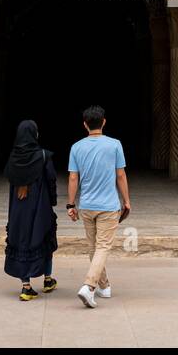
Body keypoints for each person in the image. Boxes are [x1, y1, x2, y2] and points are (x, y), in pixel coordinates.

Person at [65, 105, 131, 308]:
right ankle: (89, 286)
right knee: (102, 247)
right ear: (103, 122)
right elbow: (120, 175)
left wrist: (70, 204)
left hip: (86, 206)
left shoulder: (76, 147)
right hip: (108, 205)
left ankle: (105, 286)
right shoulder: (115, 145)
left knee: (94, 247)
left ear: (85, 125)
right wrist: (126, 201)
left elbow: (73, 177)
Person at [3, 120, 58, 301]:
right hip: (41, 208)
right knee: (44, 238)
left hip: (19, 212)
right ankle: (48, 279)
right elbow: (51, 180)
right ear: (34, 135)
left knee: (22, 241)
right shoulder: (43, 156)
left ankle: (26, 287)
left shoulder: (13, 159)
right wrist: (53, 201)